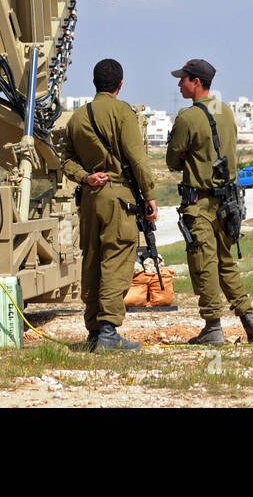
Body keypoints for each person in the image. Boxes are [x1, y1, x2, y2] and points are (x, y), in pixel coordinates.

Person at [166, 59, 253, 346]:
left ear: (196, 82)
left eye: (183, 79)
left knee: (204, 264)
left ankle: (212, 327)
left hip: (200, 204)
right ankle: (248, 317)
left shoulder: (188, 117)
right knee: (225, 261)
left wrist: (187, 156)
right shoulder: (226, 111)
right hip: (228, 203)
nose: (179, 84)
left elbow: (173, 160)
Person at [59, 58, 156, 352]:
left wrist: (86, 177)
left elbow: (66, 161)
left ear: (94, 84)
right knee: (116, 259)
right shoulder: (123, 113)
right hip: (119, 198)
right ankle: (109, 331)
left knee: (92, 260)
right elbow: (137, 158)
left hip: (90, 199)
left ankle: (93, 332)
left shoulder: (77, 117)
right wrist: (149, 194)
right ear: (120, 85)